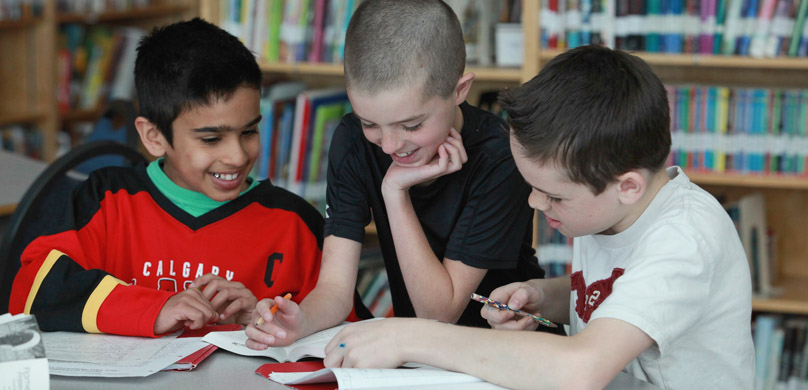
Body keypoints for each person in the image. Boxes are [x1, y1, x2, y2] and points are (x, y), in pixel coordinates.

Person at [320, 45, 755, 390]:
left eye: (551, 196)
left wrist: (409, 337)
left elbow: (581, 371)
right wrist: (540, 295)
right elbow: (624, 294)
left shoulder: (684, 240)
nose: (534, 203)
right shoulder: (611, 207)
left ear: (627, 185)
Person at [246, 0, 557, 349]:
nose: (390, 145)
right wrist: (300, 321)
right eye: (369, 123)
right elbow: (335, 288)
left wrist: (395, 193)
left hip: (507, 350)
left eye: (411, 125)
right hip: (421, 356)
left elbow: (438, 313)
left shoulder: (500, 157)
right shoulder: (352, 141)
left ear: (460, 91)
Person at [8, 18, 345, 337]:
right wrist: (154, 308)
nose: (238, 156)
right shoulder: (105, 200)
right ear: (154, 137)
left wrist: (263, 319)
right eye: (211, 139)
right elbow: (31, 293)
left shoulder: (295, 224)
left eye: (249, 131)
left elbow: (346, 336)